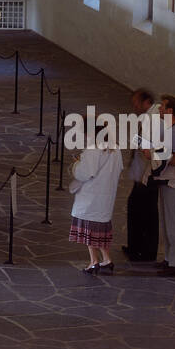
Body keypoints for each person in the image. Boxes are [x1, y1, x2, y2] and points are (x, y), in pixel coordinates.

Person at [69, 135, 124, 274]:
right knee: (99, 231)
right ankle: (106, 259)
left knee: (90, 230)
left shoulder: (94, 149)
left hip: (91, 195)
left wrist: (76, 164)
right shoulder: (115, 148)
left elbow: (86, 173)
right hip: (106, 195)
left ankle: (94, 261)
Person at [121, 88, 158, 261]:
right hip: (142, 173)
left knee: (145, 211)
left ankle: (144, 251)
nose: (134, 106)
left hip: (147, 174)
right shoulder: (147, 118)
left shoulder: (152, 119)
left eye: (136, 102)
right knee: (138, 209)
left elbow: (151, 147)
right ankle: (137, 247)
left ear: (146, 101)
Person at [155, 95, 175, 277]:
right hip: (168, 180)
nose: (159, 109)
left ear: (170, 111)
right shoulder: (172, 129)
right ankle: (169, 259)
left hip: (173, 180)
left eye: (162, 107)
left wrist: (156, 158)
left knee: (173, 223)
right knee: (167, 221)